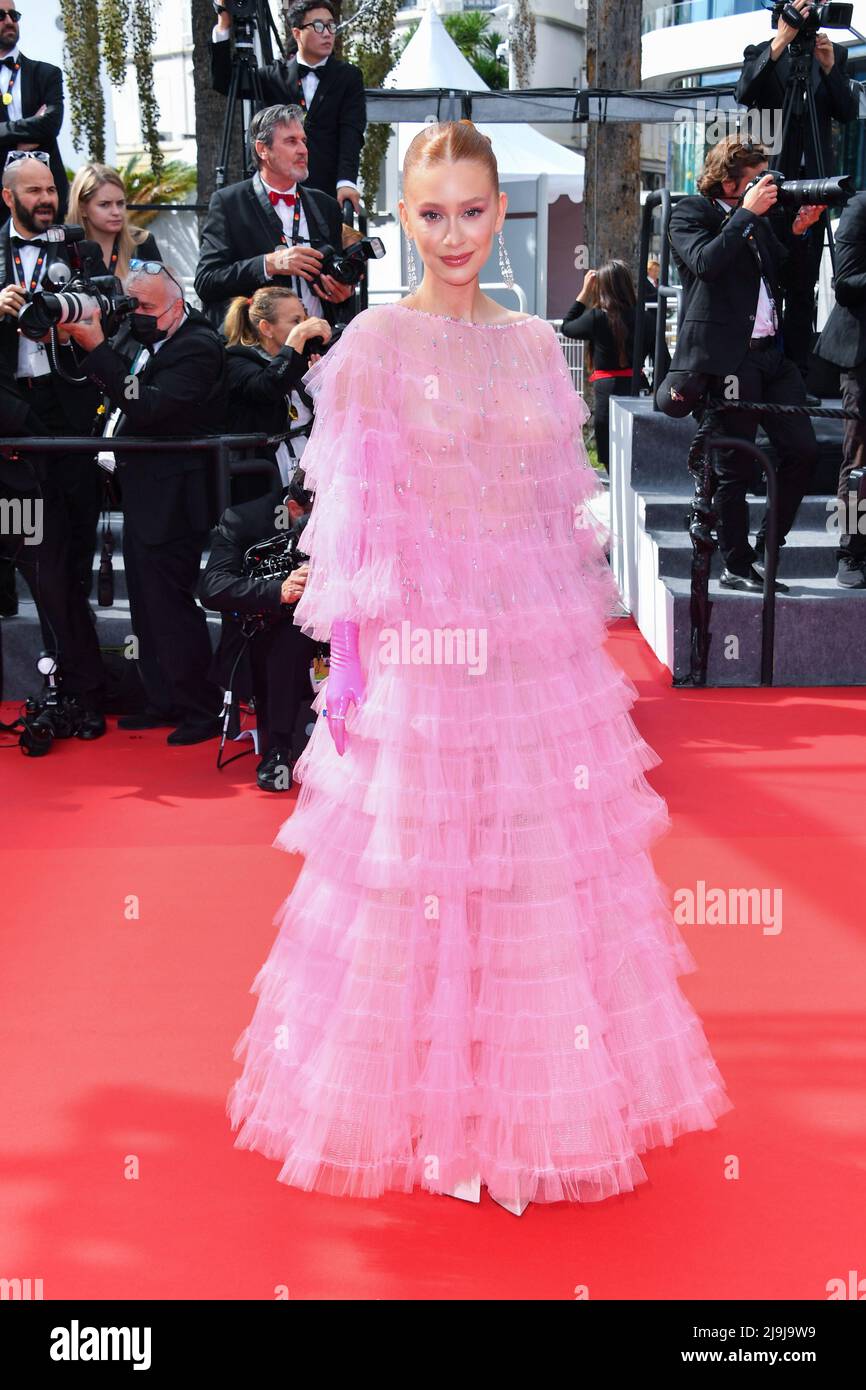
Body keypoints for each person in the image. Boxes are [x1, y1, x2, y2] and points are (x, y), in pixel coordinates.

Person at [226, 118, 733, 1216]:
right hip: (419, 652)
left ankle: (531, 1104)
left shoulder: (532, 347)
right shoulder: (369, 347)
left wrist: (566, 657)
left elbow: (559, 519)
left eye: (470, 210)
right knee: (420, 881)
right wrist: (352, 667)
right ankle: (432, 1106)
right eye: (429, 212)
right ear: (401, 218)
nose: (451, 234)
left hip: (527, 659)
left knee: (534, 874)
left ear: (497, 212)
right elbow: (350, 523)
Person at [62, 261, 227, 745]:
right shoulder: (144, 336)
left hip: (174, 497)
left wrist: (97, 347)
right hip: (142, 491)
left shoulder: (197, 345)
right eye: (132, 304)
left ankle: (197, 708)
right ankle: (160, 699)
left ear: (178, 307)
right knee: (147, 605)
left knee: (172, 605)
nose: (139, 315)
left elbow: (147, 404)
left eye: (149, 307)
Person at [664, 136, 822, 592]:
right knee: (735, 465)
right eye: (755, 177)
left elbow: (791, 280)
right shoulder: (691, 213)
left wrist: (797, 233)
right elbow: (705, 264)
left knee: (805, 451)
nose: (766, 185)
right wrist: (747, 214)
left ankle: (769, 542)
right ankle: (736, 563)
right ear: (729, 179)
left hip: (771, 355)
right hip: (730, 359)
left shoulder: (760, 221)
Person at [0, 153, 105, 733]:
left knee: (72, 562)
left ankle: (80, 689)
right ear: (8, 198)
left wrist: (73, 317)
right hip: (13, 429)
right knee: (40, 563)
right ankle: (73, 686)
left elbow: (103, 312)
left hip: (71, 422)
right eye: (34, 191)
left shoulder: (79, 252)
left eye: (51, 189)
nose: (46, 199)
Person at [734, 0, 859, 385]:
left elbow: (847, 111)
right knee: (768, 280)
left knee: (804, 288)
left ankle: (798, 377)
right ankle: (762, 368)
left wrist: (830, 69)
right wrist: (780, 42)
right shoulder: (760, 51)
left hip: (815, 183)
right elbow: (745, 92)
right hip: (772, 183)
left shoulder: (833, 53)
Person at [199, 478, 319, 792]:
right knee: (289, 635)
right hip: (270, 633)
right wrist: (278, 590)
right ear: (293, 509)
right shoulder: (245, 519)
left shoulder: (350, 519)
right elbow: (212, 588)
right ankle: (277, 750)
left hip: (341, 623)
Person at [195, 103, 357, 330]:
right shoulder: (229, 202)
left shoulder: (326, 205)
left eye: (304, 141)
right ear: (263, 149)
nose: (303, 150)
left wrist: (342, 292)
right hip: (258, 350)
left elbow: (337, 287)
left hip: (321, 344)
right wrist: (269, 264)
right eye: (291, 141)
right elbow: (207, 281)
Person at [211, 0, 365, 210]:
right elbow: (224, 83)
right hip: (278, 190)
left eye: (331, 26)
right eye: (318, 26)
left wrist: (346, 181)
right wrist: (223, 25)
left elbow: (352, 131)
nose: (327, 33)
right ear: (296, 32)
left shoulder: (348, 76)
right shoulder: (273, 76)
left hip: (327, 191)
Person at [222, 286, 330, 502]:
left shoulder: (299, 360)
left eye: (305, 318)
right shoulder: (235, 359)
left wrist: (320, 382)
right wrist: (296, 339)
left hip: (305, 465)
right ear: (266, 328)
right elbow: (267, 387)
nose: (304, 327)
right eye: (295, 321)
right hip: (263, 472)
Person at [814, 191, 866, 588]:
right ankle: (850, 551)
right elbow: (845, 282)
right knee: (860, 457)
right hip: (860, 356)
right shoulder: (860, 206)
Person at [560, 260, 653, 470]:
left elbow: (567, 326)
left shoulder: (596, 318)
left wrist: (584, 292)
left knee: (611, 452)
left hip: (607, 390)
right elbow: (663, 359)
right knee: (636, 450)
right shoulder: (646, 318)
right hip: (637, 386)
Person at [0, 2, 68, 225]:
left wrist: (5, 136)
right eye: (1, 16)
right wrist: (26, 133)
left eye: (14, 15)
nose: (10, 21)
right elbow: (40, 126)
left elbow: (51, 125)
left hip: (45, 196)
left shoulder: (46, 73)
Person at [67, 162, 161, 280]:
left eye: (120, 203)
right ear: (82, 209)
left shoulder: (141, 243)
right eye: (104, 205)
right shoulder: (69, 250)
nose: (116, 212)